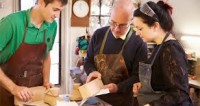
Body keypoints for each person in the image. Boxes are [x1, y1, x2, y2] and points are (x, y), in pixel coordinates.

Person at [0, 0, 67, 105]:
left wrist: (45, 81)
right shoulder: (11, 23)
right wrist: (14, 88)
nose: (58, 16)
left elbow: (46, 56)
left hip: (35, 94)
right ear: (41, 2)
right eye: (55, 9)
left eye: (60, 11)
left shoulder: (52, 26)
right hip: (6, 93)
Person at [84, 0, 147, 105]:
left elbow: (138, 76)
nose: (116, 29)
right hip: (96, 98)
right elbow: (88, 61)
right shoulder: (98, 35)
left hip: (122, 100)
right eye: (113, 23)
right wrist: (91, 71)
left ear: (131, 21)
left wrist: (118, 87)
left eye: (122, 25)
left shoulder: (139, 41)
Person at [132, 1, 193, 106]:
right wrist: (144, 85)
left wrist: (151, 105)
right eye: (135, 28)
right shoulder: (159, 46)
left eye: (140, 28)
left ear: (155, 26)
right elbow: (162, 82)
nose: (137, 33)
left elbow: (179, 94)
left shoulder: (171, 50)